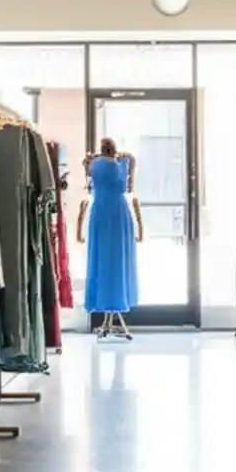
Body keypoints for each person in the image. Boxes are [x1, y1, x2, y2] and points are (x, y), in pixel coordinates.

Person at [78, 138, 141, 337]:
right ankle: (113, 310)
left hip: (101, 212)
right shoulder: (123, 162)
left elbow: (85, 166)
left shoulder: (93, 164)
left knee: (103, 259)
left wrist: (96, 157)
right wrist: (125, 165)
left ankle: (107, 315)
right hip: (118, 213)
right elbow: (132, 160)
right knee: (117, 261)